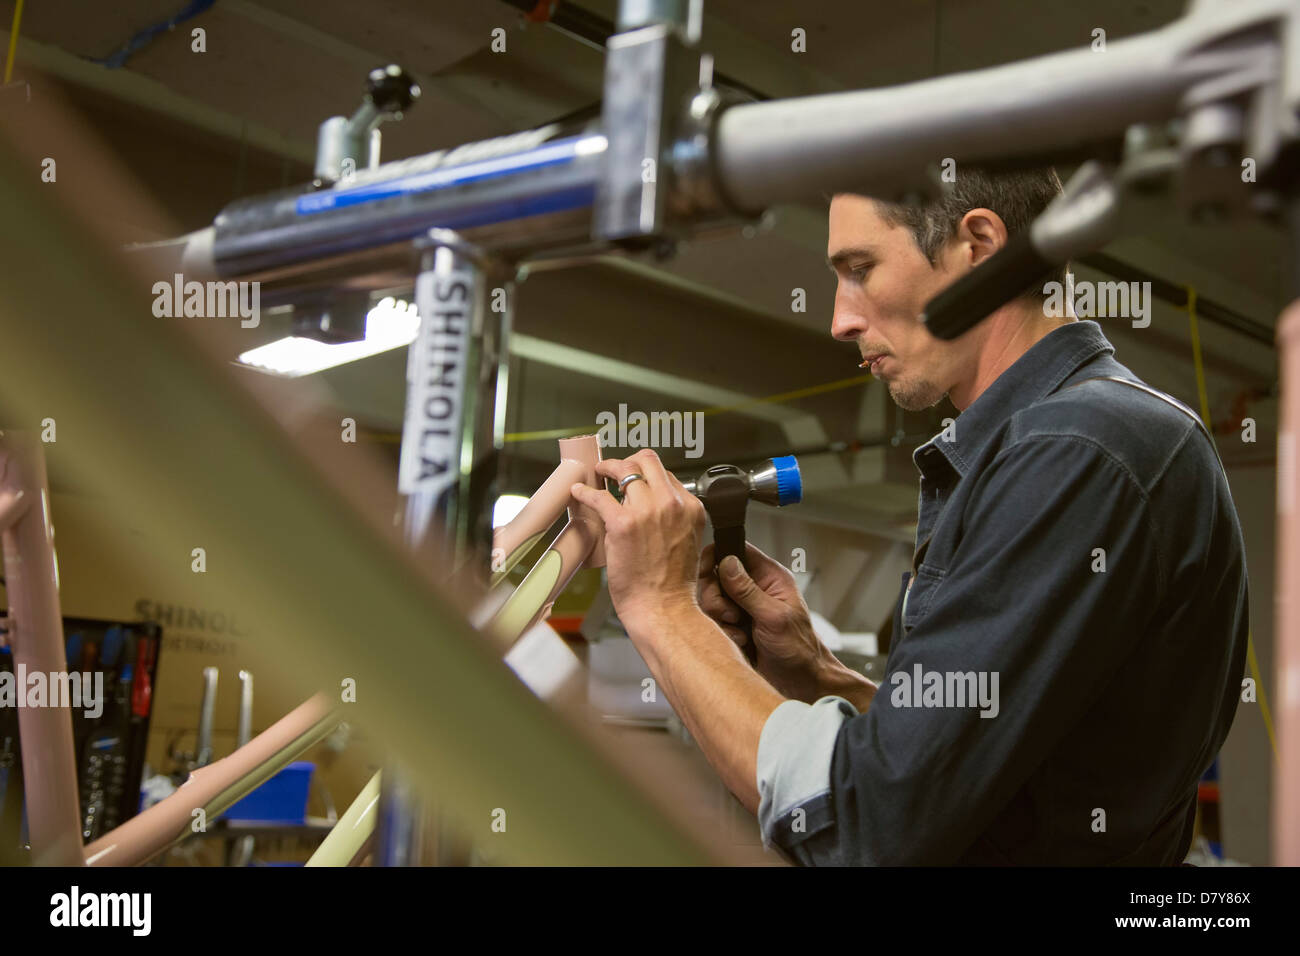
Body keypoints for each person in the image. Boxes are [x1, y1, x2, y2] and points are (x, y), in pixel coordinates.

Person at [570, 169, 1250, 865]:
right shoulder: (1070, 440)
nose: (840, 320)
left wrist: (661, 607)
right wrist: (816, 673)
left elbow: (874, 826)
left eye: (860, 269)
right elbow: (980, 776)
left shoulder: (1074, 450)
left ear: (979, 245)